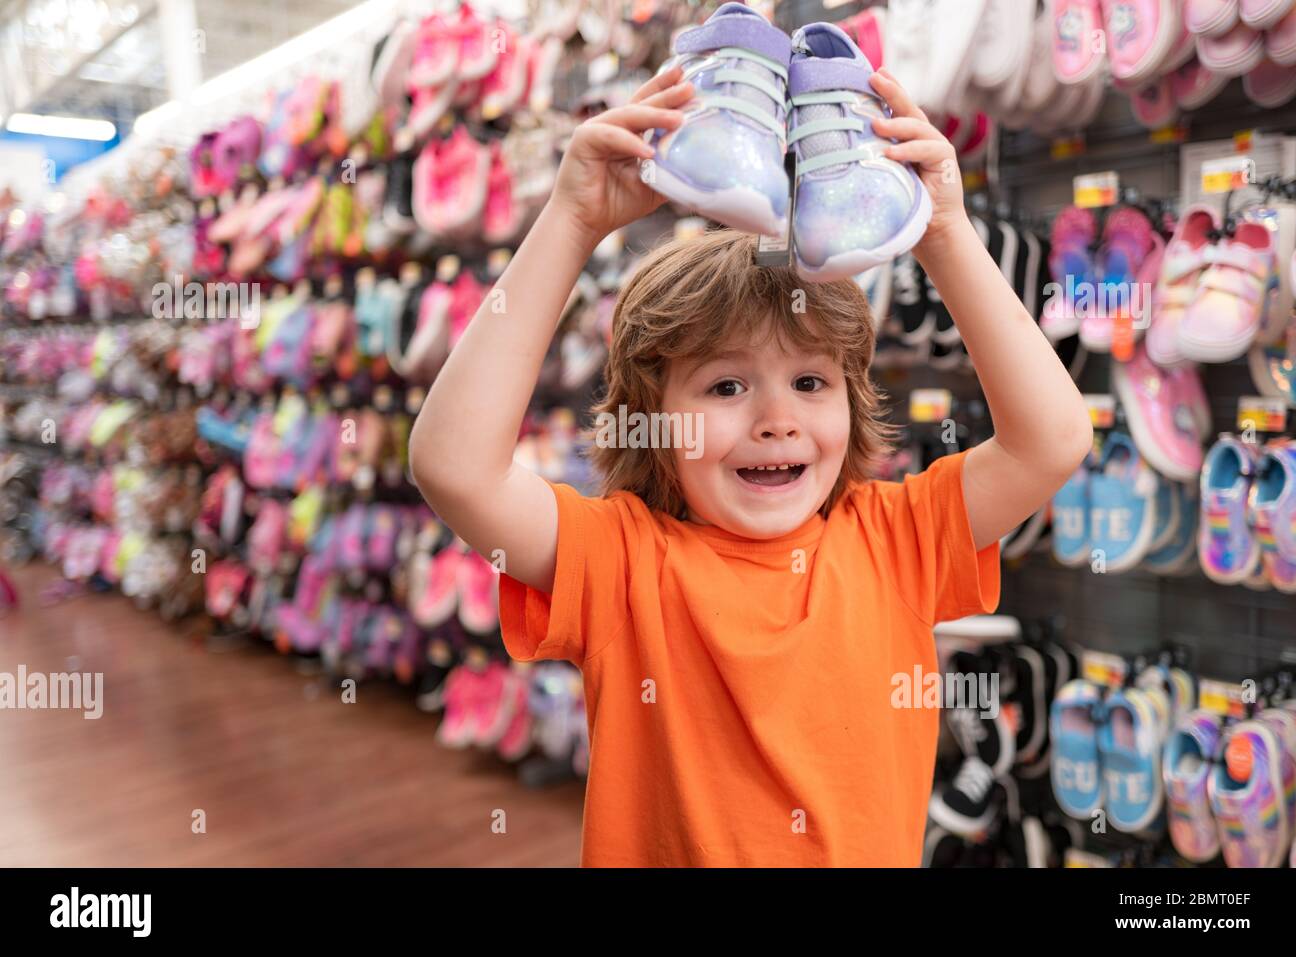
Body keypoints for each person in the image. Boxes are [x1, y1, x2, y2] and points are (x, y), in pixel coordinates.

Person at [409, 64, 1092, 866]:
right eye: (727, 384)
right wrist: (570, 221)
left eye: (810, 382)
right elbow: (453, 465)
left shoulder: (896, 540)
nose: (777, 421)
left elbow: (1051, 438)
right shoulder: (623, 561)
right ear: (652, 416)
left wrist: (945, 231)